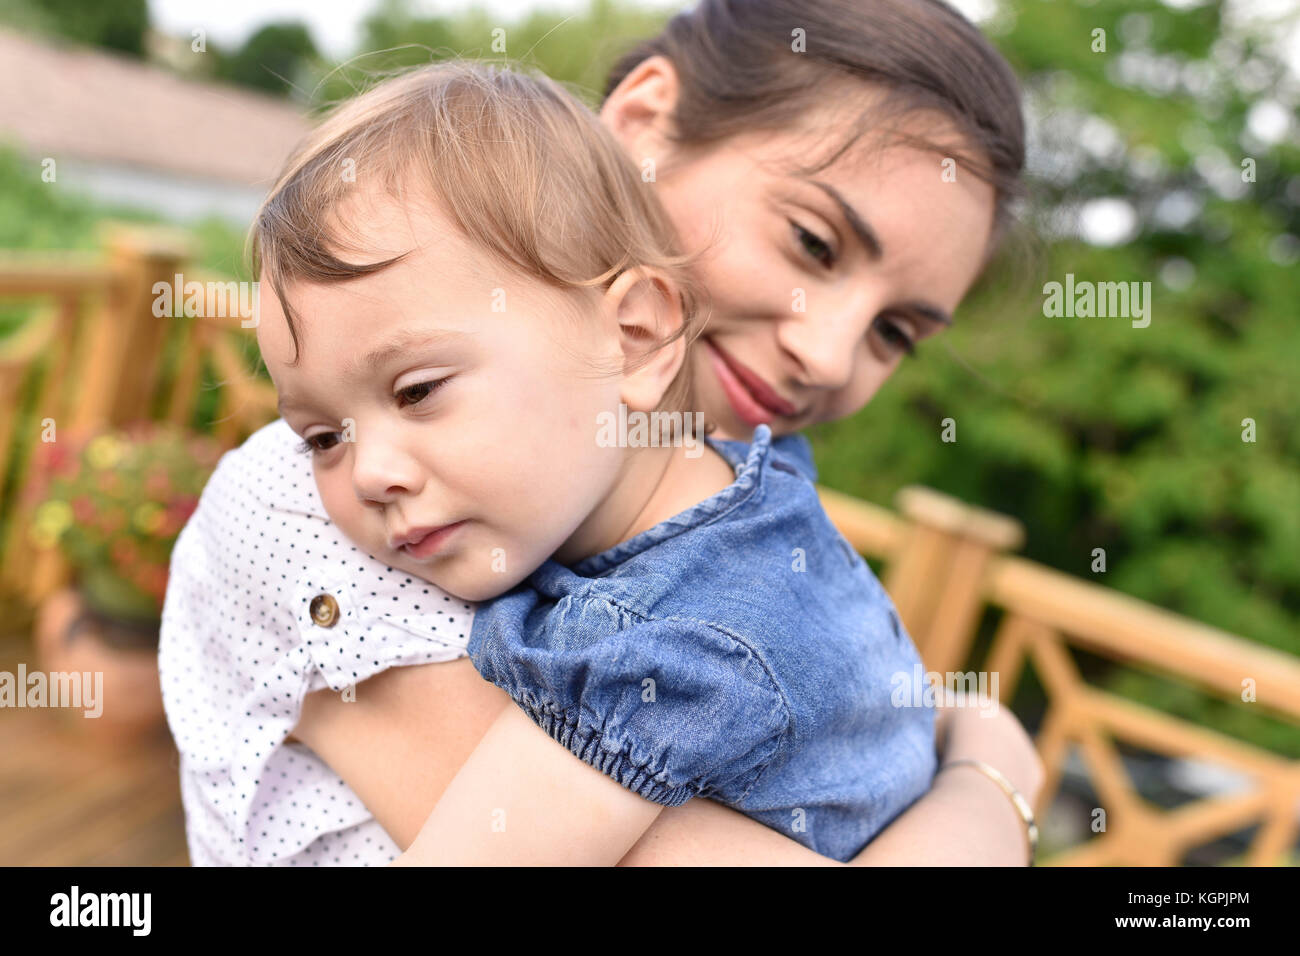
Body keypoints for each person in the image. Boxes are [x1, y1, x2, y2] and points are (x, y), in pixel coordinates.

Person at [161, 0, 1042, 866]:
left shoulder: (710, 590)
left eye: (896, 332)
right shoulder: (304, 514)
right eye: (813, 242)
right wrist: (991, 779)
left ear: (640, 334)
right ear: (648, 122)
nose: (826, 353)